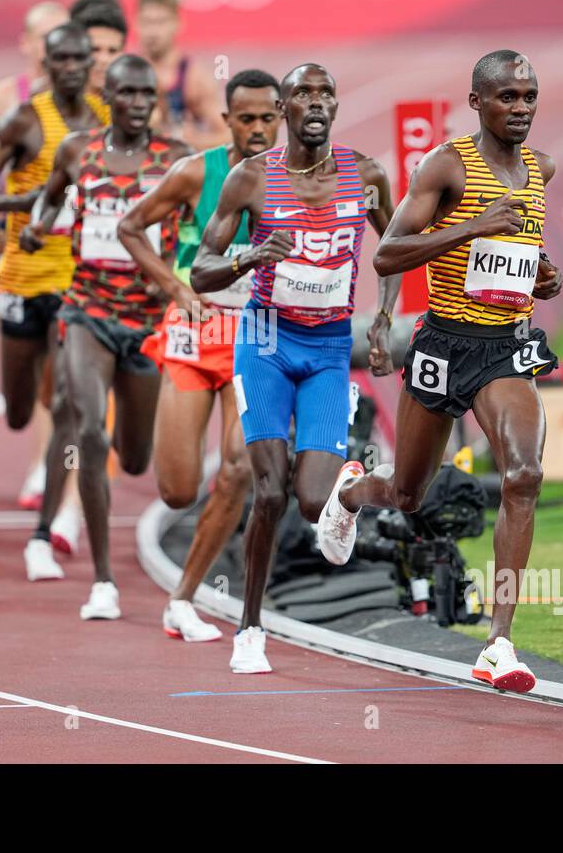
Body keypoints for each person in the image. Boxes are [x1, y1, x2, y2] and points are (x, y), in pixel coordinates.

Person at [318, 49, 563, 694]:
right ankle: (349, 492)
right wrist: (471, 226)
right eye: (507, 97)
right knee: (406, 496)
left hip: (503, 346)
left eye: (529, 96)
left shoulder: (540, 169)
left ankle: (499, 644)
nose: (521, 109)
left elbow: (518, 256)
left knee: (525, 473)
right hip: (442, 344)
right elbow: (390, 253)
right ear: (477, 102)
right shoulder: (447, 166)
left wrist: (541, 277)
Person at [191, 63, 399, 673]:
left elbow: (396, 251)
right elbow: (202, 271)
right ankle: (250, 629)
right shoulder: (250, 180)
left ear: (336, 105)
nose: (315, 102)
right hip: (264, 339)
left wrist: (383, 321)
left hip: (331, 345)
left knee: (312, 503)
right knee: (270, 490)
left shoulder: (366, 176)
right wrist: (250, 255)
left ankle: (348, 488)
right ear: (283, 107)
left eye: (325, 93)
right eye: (302, 94)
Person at [19, 54, 191, 619]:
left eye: (148, 94)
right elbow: (49, 192)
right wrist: (41, 224)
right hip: (86, 311)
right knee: (88, 429)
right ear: (109, 95)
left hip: (145, 324)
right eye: (129, 94)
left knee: (135, 457)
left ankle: (89, 531)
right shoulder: (78, 150)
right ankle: (103, 580)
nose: (140, 103)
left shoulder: (177, 159)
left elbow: (207, 223)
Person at [118, 69, 281, 641]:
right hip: (195, 335)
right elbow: (131, 226)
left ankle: (183, 597)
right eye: (247, 118)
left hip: (258, 339)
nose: (258, 129)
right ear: (228, 120)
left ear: (280, 117)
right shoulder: (195, 173)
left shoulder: (297, 181)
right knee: (178, 490)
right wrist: (177, 289)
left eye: (268, 117)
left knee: (238, 469)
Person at [0, 23, 110, 580]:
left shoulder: (105, 120)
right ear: (46, 61)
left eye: (79, 57)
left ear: (89, 63)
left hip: (76, 285)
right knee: (18, 408)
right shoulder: (25, 119)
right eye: (59, 58)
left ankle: (56, 521)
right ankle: (49, 493)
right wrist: (32, 200)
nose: (70, 67)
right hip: (21, 280)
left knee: (68, 402)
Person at [135, 0, 230, 151]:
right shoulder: (126, 71)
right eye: (147, 22)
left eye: (160, 22)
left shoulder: (194, 78)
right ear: (136, 24)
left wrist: (193, 141)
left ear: (178, 23)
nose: (152, 32)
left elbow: (230, 135)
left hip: (177, 169)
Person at [0, 1, 70, 133]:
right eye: (45, 37)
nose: (54, 43)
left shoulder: (88, 102)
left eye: (62, 36)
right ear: (25, 43)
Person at [71, 1, 127, 101]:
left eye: (112, 51)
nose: (103, 59)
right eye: (95, 49)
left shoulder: (131, 111)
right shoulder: (49, 107)